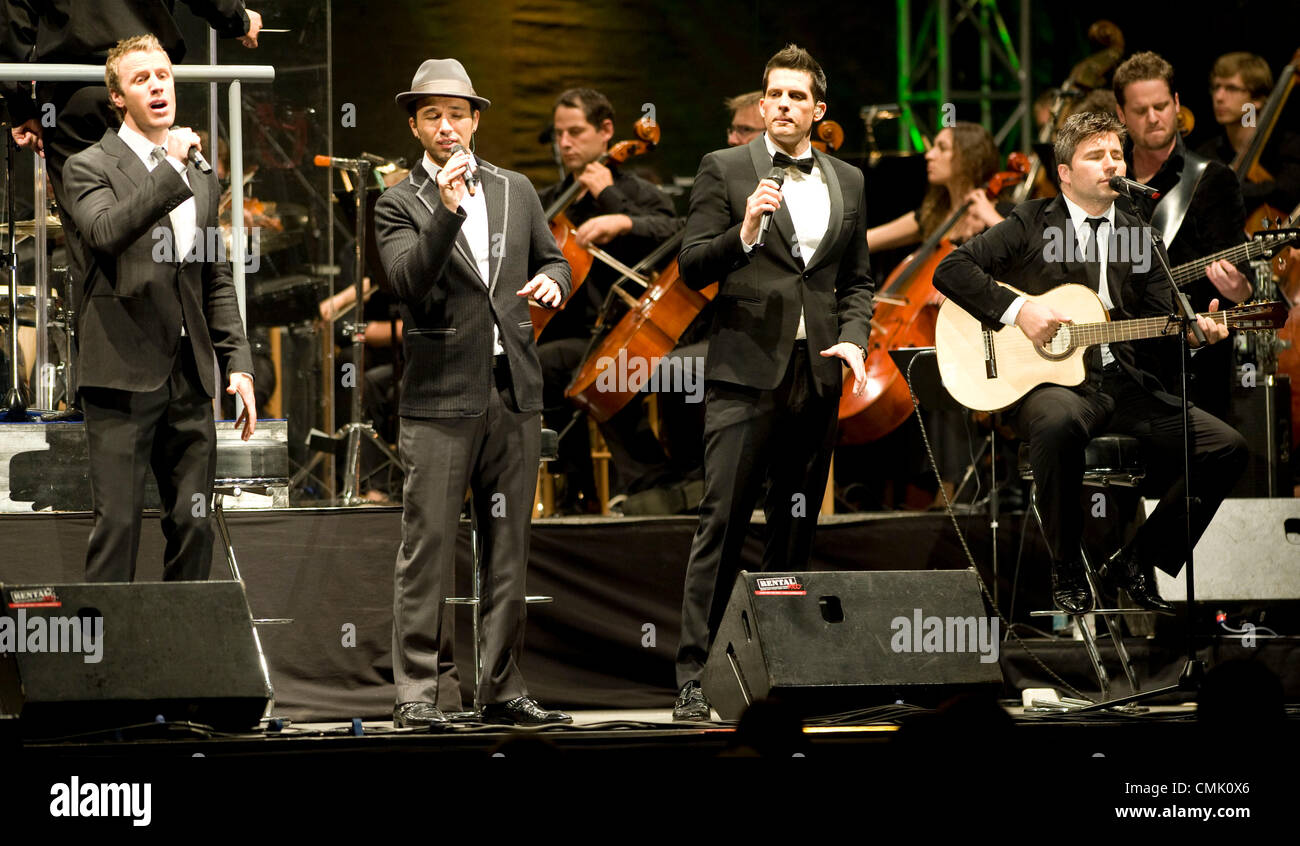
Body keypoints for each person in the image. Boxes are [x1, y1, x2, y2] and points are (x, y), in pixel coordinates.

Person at [933, 111, 1247, 616]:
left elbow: (1166, 317)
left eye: (1117, 155)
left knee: (1225, 447)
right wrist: (1022, 310)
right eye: (1095, 155)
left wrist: (1196, 333)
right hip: (1052, 384)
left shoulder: (1139, 233)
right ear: (1065, 172)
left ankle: (1138, 561)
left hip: (1121, 383)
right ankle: (1066, 567)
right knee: (1057, 423)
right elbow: (952, 270)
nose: (1111, 164)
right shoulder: (1030, 221)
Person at [672, 44, 875, 720]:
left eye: (797, 96)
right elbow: (693, 267)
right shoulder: (724, 169)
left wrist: (854, 337)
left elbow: (857, 282)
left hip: (816, 375)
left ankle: (786, 669)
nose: (783, 105)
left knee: (794, 529)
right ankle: (694, 677)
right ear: (763, 106)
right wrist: (746, 231)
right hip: (743, 371)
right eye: (774, 95)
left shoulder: (847, 178)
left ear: (819, 110)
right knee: (723, 522)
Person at [375, 58, 572, 728]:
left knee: (508, 547)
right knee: (428, 546)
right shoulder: (400, 200)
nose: (446, 124)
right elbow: (407, 281)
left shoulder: (516, 189)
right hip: (438, 397)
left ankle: (503, 688)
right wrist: (449, 212)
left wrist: (555, 283)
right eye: (432, 114)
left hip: (512, 390)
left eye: (457, 112)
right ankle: (419, 695)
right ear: (415, 125)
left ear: (476, 119)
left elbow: (554, 258)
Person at [63, 34, 256, 581]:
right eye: (141, 79)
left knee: (194, 524)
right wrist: (167, 170)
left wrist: (236, 362)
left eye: (164, 76)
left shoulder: (199, 172)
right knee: (119, 526)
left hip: (189, 376)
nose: (157, 86)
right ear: (118, 97)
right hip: (121, 372)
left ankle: (182, 658)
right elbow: (106, 232)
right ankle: (105, 662)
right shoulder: (87, 165)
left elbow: (214, 274)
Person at [535, 88, 682, 510]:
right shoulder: (549, 201)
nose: (565, 143)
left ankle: (584, 491)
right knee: (531, 362)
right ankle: (586, 489)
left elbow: (676, 239)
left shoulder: (638, 194)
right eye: (559, 134)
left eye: (576, 132)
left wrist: (614, 206)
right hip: (564, 335)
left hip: (625, 333)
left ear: (606, 132)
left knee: (552, 366)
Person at [865, 121, 1007, 507]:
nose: (929, 155)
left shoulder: (993, 214)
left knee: (939, 374)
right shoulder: (936, 216)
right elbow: (870, 240)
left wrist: (992, 219)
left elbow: (1028, 257)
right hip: (939, 339)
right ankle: (917, 492)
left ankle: (956, 490)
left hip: (984, 341)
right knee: (917, 372)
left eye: (941, 148)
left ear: (967, 157)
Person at [1113, 51, 1251, 421]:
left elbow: (1240, 278)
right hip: (1114, 358)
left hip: (1188, 361)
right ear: (1122, 115)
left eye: (1161, 106)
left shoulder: (1211, 179)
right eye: (1140, 111)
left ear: (1176, 104)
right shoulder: (1106, 179)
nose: (1153, 118)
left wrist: (1239, 289)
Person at [1197, 52, 1300, 216]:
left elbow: (1288, 190)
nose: (1219, 97)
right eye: (1216, 87)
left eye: (1231, 88)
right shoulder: (1207, 154)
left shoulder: (1289, 147)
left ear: (1257, 99)